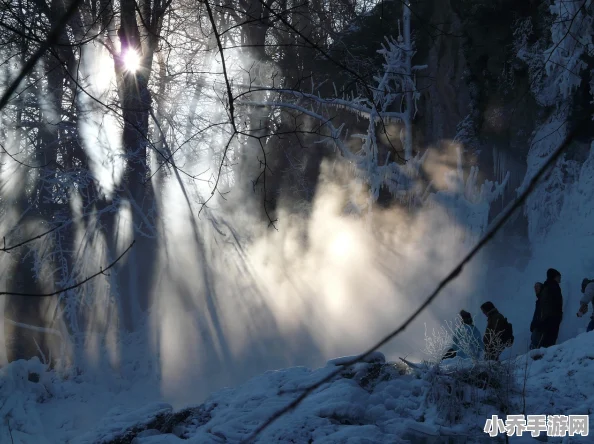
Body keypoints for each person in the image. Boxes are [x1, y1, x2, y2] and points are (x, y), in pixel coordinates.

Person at [535, 268, 563, 348]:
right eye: (559, 277)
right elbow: (553, 304)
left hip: (548, 319)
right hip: (551, 319)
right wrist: (556, 316)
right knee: (549, 342)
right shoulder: (553, 287)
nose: (560, 279)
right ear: (554, 276)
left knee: (546, 341)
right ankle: (544, 358)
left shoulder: (547, 287)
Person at [530, 282, 544, 349]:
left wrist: (537, 323)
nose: (535, 288)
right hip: (537, 326)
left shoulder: (543, 298)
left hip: (539, 327)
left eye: (537, 286)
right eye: (535, 287)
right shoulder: (539, 300)